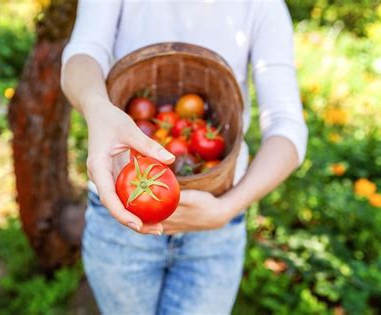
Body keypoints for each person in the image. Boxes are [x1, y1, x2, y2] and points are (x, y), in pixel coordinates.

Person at [61, 0, 308, 314]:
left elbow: (288, 127)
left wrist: (225, 209)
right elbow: (82, 54)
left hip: (216, 224)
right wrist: (97, 106)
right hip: (121, 216)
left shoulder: (262, 6)